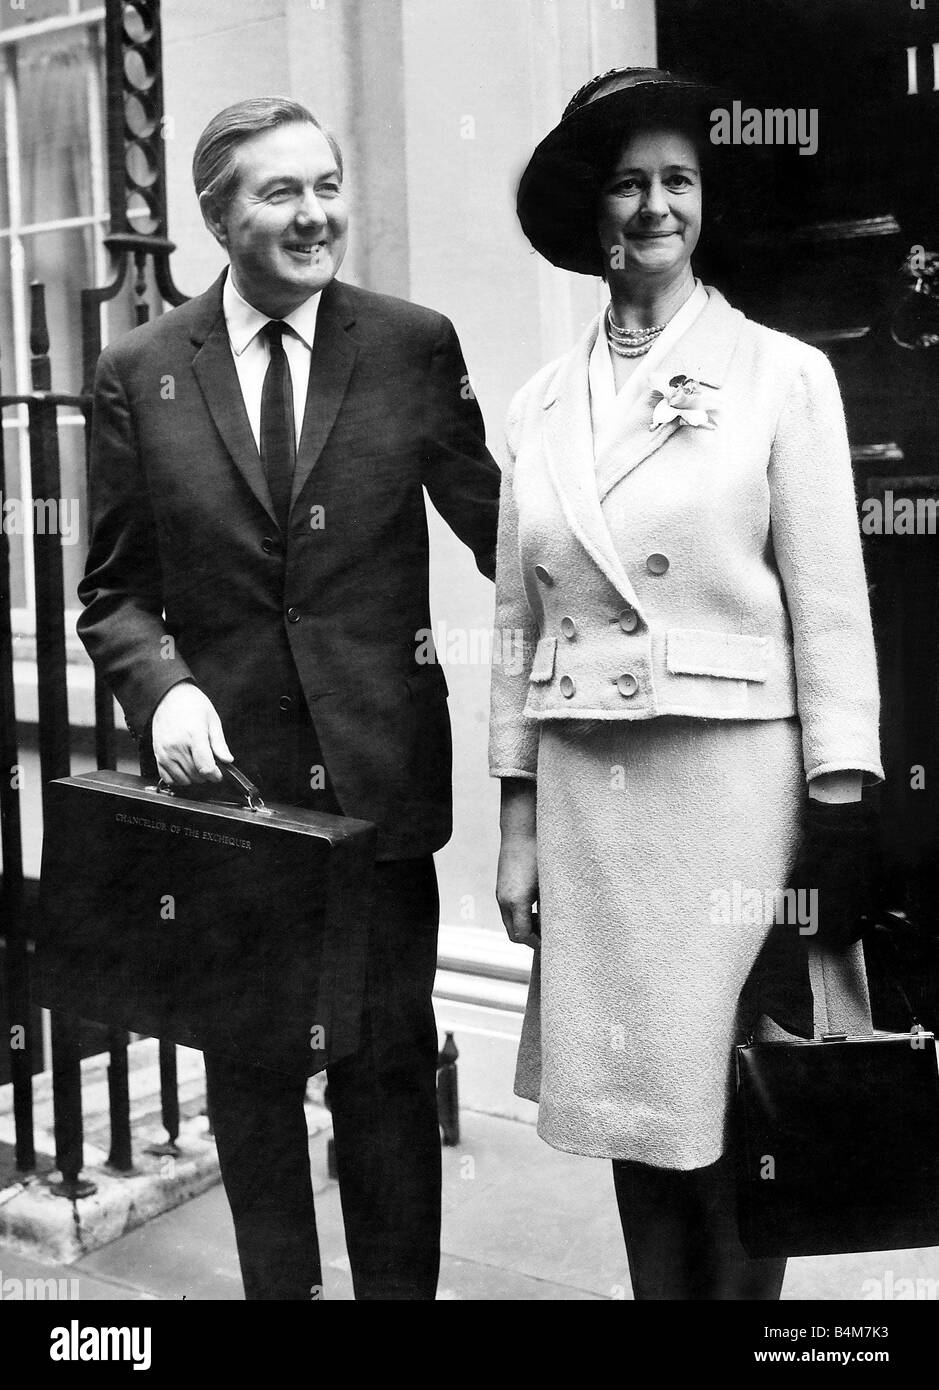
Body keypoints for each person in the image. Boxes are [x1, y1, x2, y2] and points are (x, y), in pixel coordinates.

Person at [77, 96, 500, 1300]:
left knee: (383, 1081)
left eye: (327, 184)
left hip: (377, 790)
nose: (317, 214)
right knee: (253, 1085)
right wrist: (160, 693)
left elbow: (506, 532)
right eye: (281, 192)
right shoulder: (142, 371)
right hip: (233, 801)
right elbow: (112, 591)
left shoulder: (414, 344)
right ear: (218, 216)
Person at [490, 68, 883, 1300]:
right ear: (589, 213)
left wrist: (840, 811)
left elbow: (830, 608)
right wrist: (515, 824)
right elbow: (516, 623)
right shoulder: (539, 403)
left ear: (705, 203)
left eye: (677, 181)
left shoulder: (781, 375)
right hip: (590, 802)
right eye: (626, 183)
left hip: (730, 792)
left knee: (741, 1107)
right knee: (635, 1112)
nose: (653, 207)